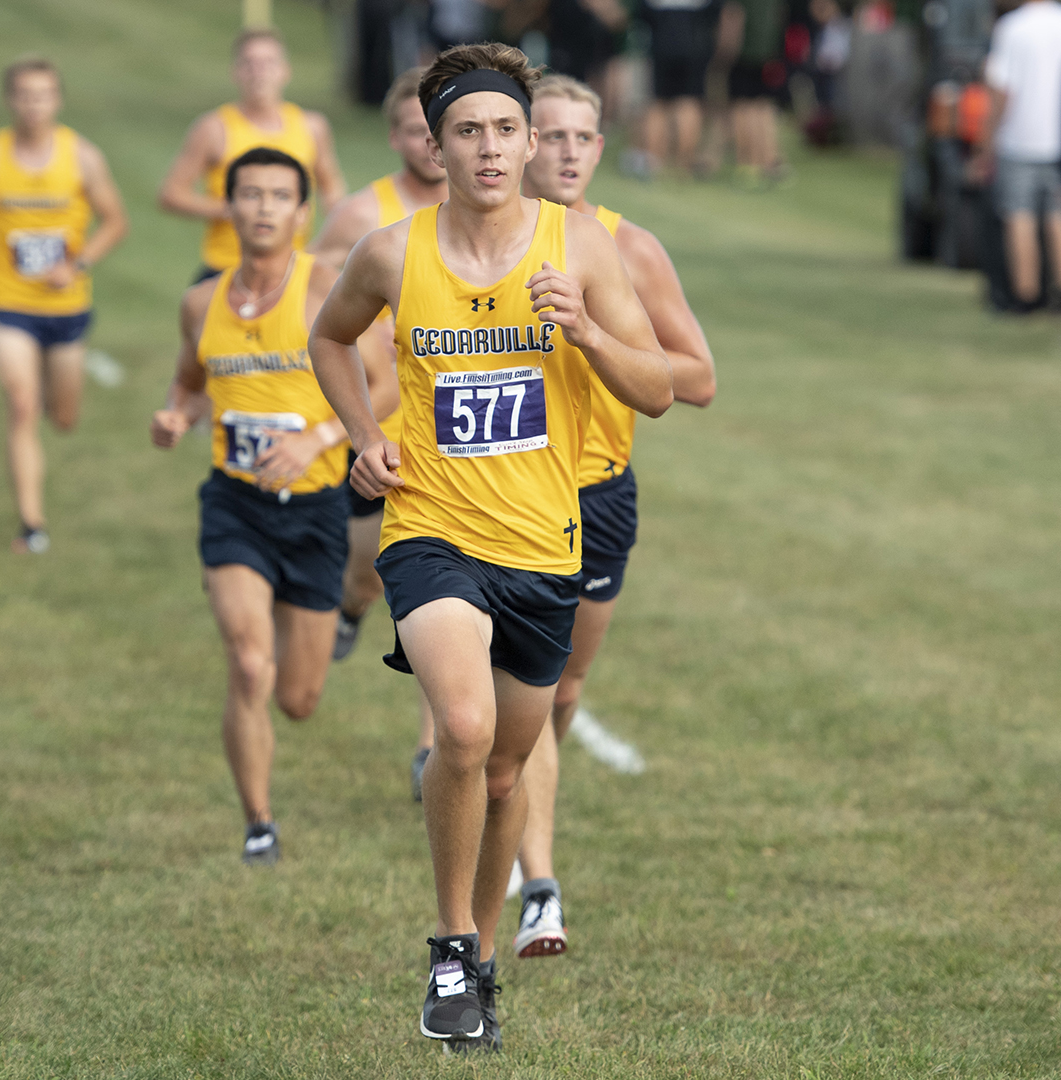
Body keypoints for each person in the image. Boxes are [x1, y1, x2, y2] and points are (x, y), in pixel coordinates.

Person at [308, 43, 672, 1052]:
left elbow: (660, 388)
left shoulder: (580, 247)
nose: (491, 148)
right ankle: (451, 946)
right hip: (430, 530)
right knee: (461, 730)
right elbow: (328, 339)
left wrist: (590, 337)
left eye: (506, 129)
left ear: (527, 140)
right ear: (436, 145)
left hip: (544, 545)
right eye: (467, 131)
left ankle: (480, 956)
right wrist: (362, 435)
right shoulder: (392, 251)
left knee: (508, 773)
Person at [505, 73, 716, 961]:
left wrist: (596, 329)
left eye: (577, 137)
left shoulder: (631, 248)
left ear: (598, 148)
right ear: (517, 146)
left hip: (597, 495)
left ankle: (514, 788)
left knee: (563, 691)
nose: (561, 150)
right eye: (544, 134)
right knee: (524, 684)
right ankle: (535, 879)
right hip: (507, 497)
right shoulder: (477, 242)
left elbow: (696, 380)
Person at [151, 148, 396, 867]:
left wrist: (321, 437)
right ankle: (259, 822)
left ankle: (324, 637)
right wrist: (174, 416)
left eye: (277, 197)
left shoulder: (328, 289)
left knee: (297, 697)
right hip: (236, 506)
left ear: (301, 212)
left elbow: (386, 387)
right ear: (228, 208)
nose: (261, 208)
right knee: (248, 664)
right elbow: (190, 383)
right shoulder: (201, 302)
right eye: (248, 194)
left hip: (317, 509)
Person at [0, 58, 129, 554]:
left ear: (56, 101)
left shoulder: (82, 157)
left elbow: (115, 221)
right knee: (21, 405)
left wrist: (77, 263)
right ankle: (32, 524)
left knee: (62, 418)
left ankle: (44, 392)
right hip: (7, 301)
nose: (33, 104)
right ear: (9, 100)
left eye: (42, 95)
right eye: (23, 95)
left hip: (65, 306)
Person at [309, 67, 447, 667]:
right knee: (368, 574)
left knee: (448, 603)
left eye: (434, 128)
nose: (427, 142)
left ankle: (429, 747)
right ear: (394, 137)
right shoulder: (362, 216)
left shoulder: (488, 211)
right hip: (384, 422)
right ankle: (350, 606)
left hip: (462, 427)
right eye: (413, 130)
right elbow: (312, 300)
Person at [159, 29, 347, 284]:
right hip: (226, 267)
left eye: (269, 63)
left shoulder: (311, 126)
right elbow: (171, 193)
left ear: (285, 70)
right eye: (249, 63)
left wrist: (329, 236)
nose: (259, 72)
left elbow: (331, 187)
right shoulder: (214, 128)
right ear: (235, 71)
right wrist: (234, 208)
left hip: (291, 270)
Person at [977, 0, 1061, 313]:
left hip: (1020, 137)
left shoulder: (1012, 27)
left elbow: (1001, 89)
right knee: (1059, 215)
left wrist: (988, 139)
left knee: (1019, 216)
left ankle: (1026, 293)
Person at [638, 0, 727, 177]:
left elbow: (642, 11)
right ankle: (683, 162)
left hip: (662, 36)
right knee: (688, 102)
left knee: (659, 102)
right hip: (694, 37)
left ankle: (654, 161)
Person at [727, 0, 794, 188]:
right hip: (770, 54)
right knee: (765, 108)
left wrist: (725, 52)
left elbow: (734, 17)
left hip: (745, 53)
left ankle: (748, 162)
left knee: (743, 109)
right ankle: (769, 160)